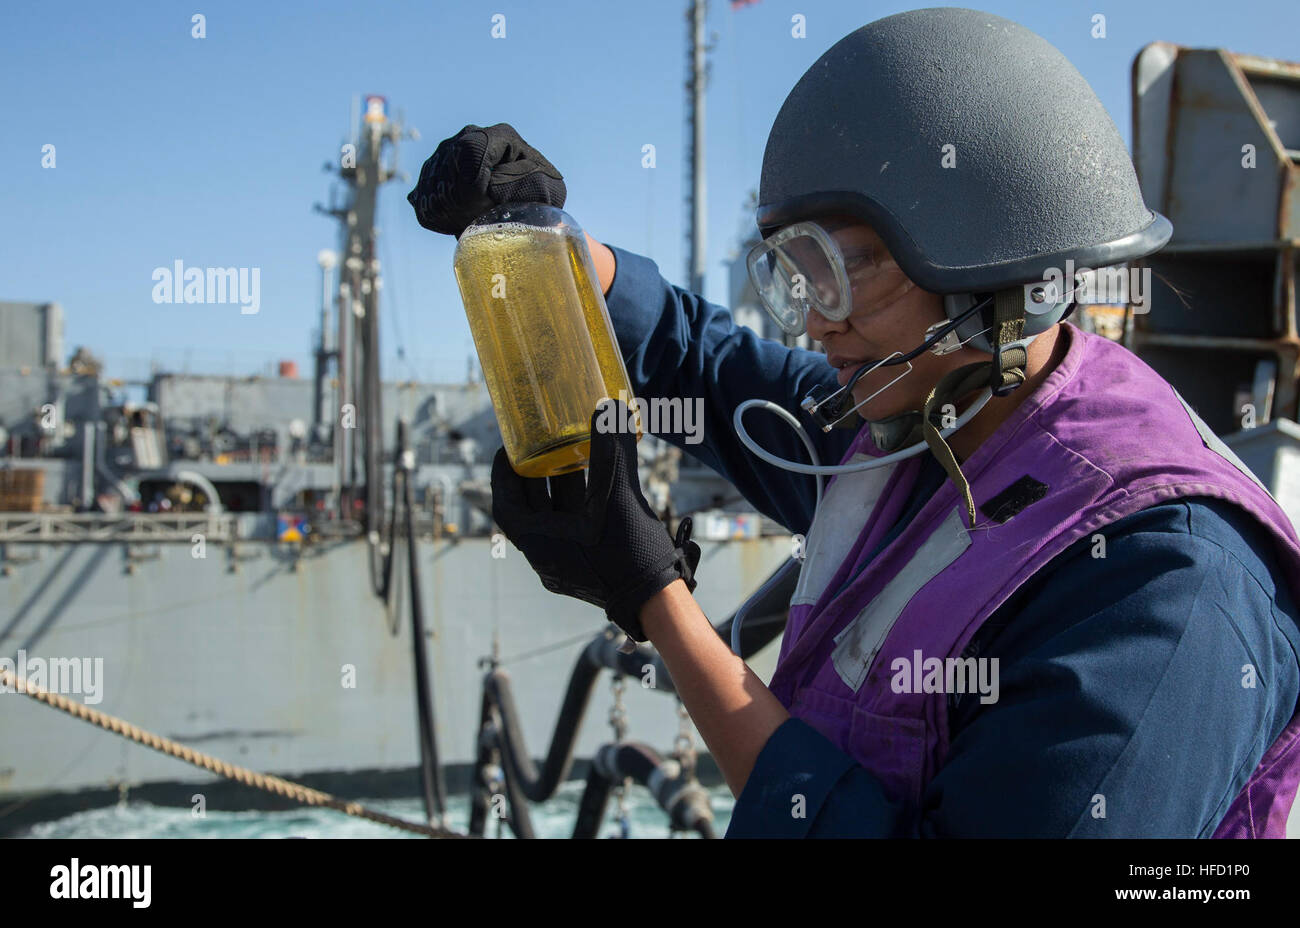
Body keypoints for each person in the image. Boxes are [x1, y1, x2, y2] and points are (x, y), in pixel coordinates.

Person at [408, 8, 1300, 837]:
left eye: (839, 271)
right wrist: (554, 240)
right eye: (791, 274)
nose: (812, 319)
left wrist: (653, 595)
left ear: (995, 274)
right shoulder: (925, 419)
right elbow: (711, 366)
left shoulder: (1168, 590)